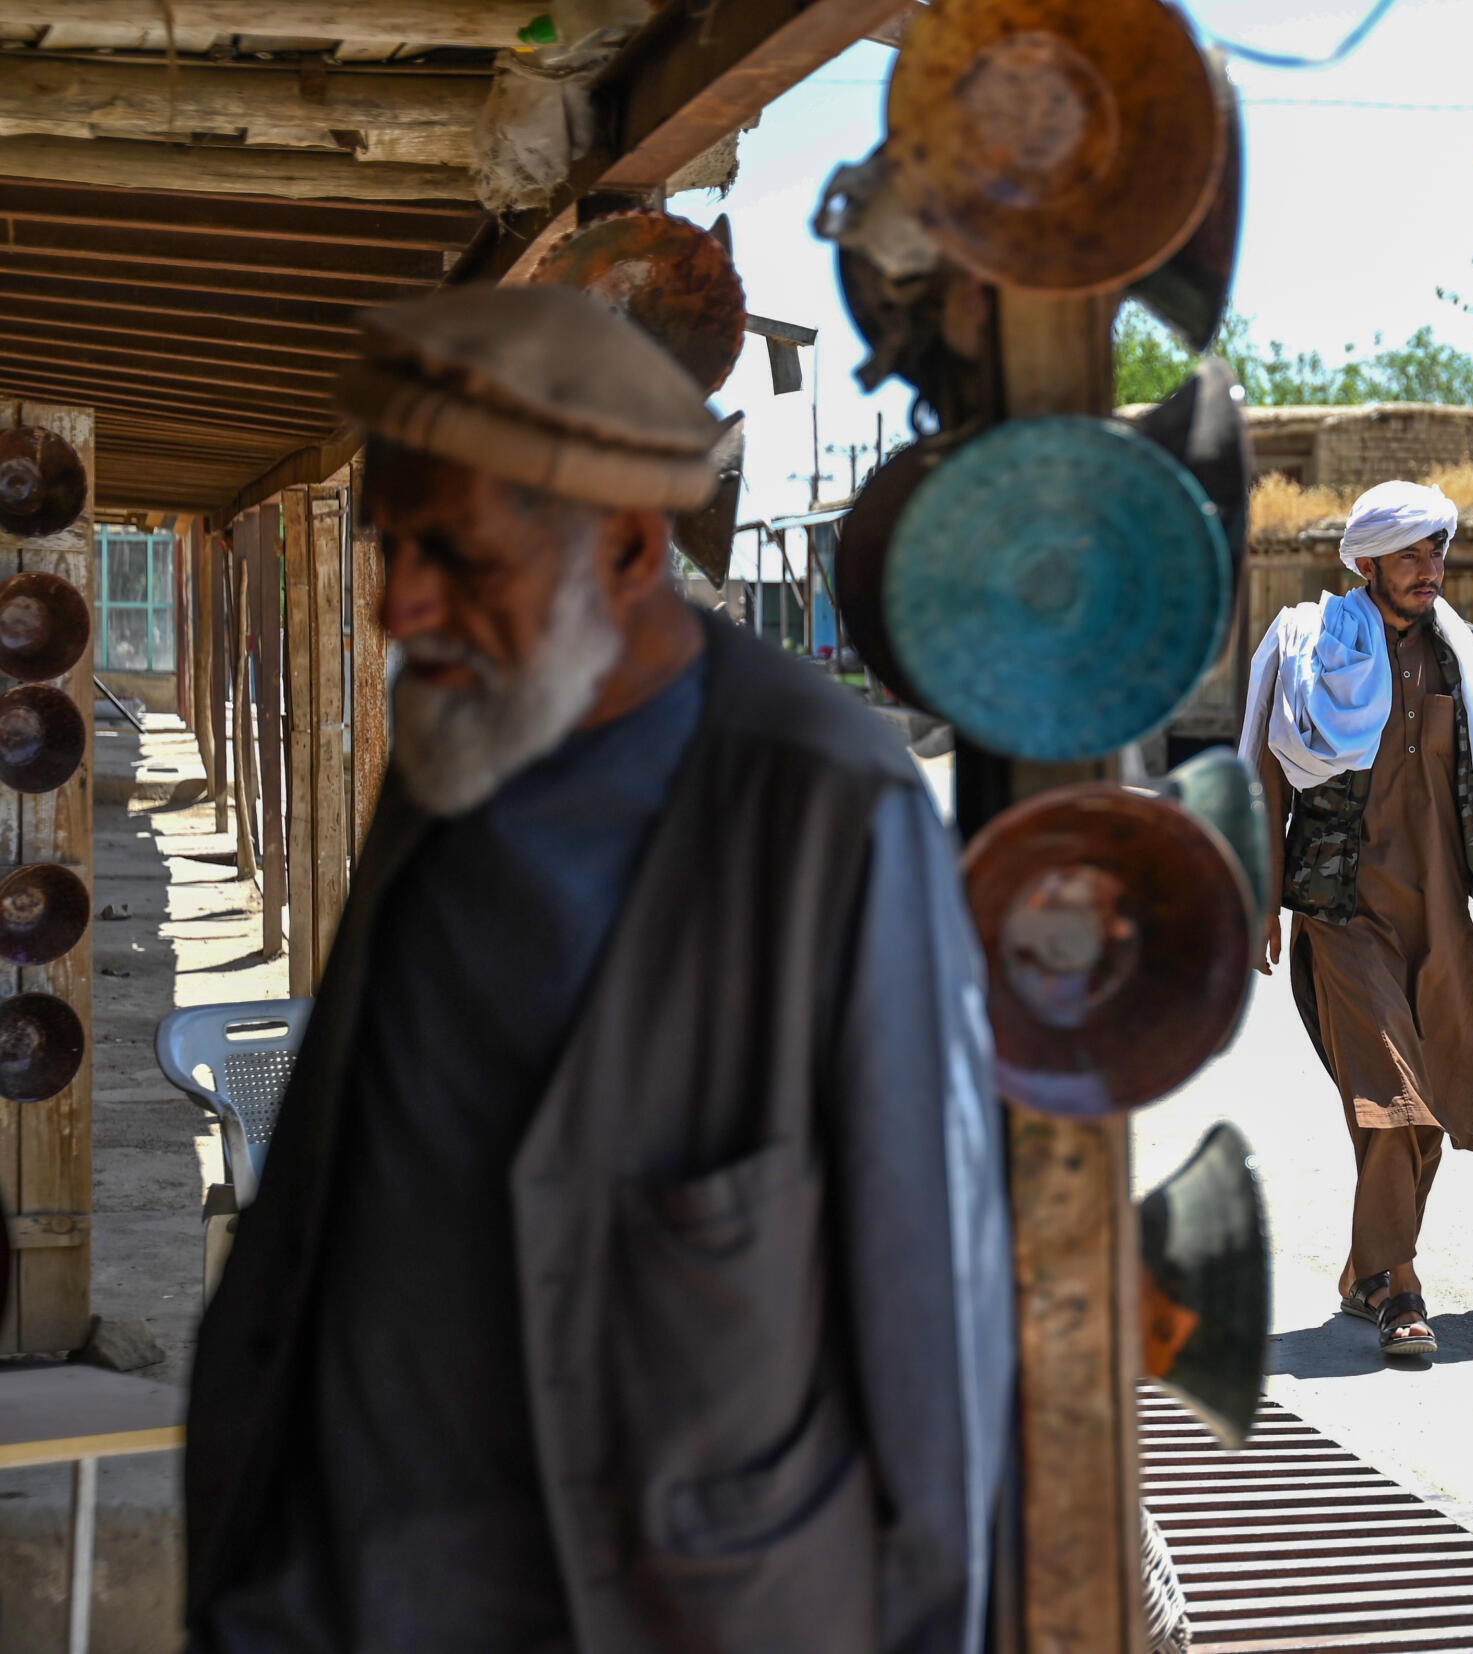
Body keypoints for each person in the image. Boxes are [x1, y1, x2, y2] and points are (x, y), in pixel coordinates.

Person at [185, 285, 1013, 1654]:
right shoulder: (466, 736)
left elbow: (934, 1339)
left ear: (629, 547)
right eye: (392, 548)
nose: (400, 607)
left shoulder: (826, 811)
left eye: (454, 552)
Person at [1239, 480, 1473, 1360]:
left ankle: (1366, 1269)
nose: (1432, 571)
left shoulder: (1462, 657)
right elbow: (1266, 778)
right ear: (1369, 560)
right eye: (1414, 554)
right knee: (1392, 1101)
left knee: (1437, 1101)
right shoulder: (1312, 651)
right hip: (1341, 913)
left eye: (1439, 552)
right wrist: (1260, 898)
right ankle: (1398, 1288)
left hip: (1440, 917)